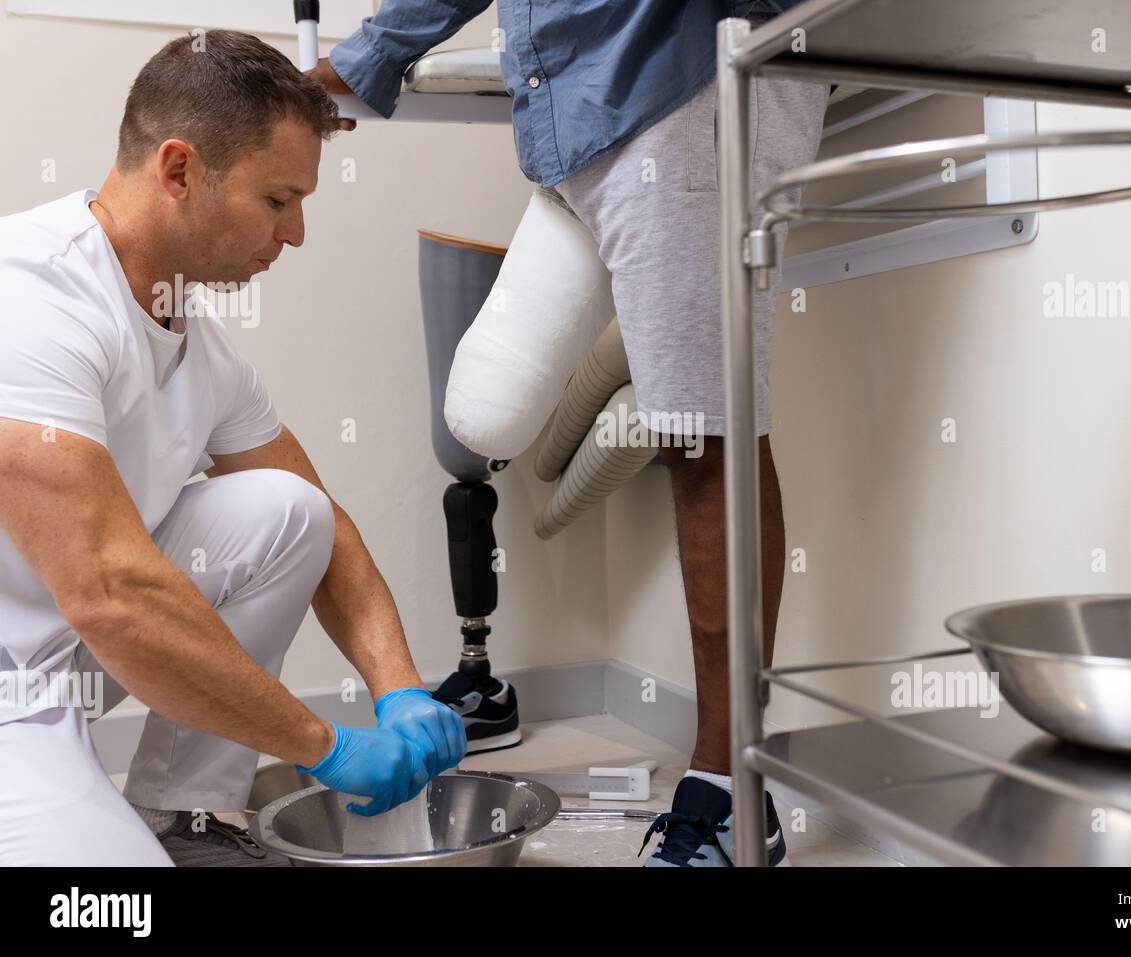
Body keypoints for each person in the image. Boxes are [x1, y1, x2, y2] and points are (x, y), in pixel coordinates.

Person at [312, 0, 828, 866]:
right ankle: (486, 675)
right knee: (484, 412)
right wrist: (367, 56)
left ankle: (731, 786)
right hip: (575, 116)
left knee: (704, 436)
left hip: (680, 83)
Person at [0, 30, 466, 867]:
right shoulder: (31, 300)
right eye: (279, 200)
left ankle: (183, 812)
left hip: (59, 654)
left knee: (289, 512)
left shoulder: (194, 337)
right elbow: (109, 592)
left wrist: (398, 685)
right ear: (178, 170)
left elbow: (325, 527)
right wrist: (322, 742)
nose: (294, 236)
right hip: (15, 687)